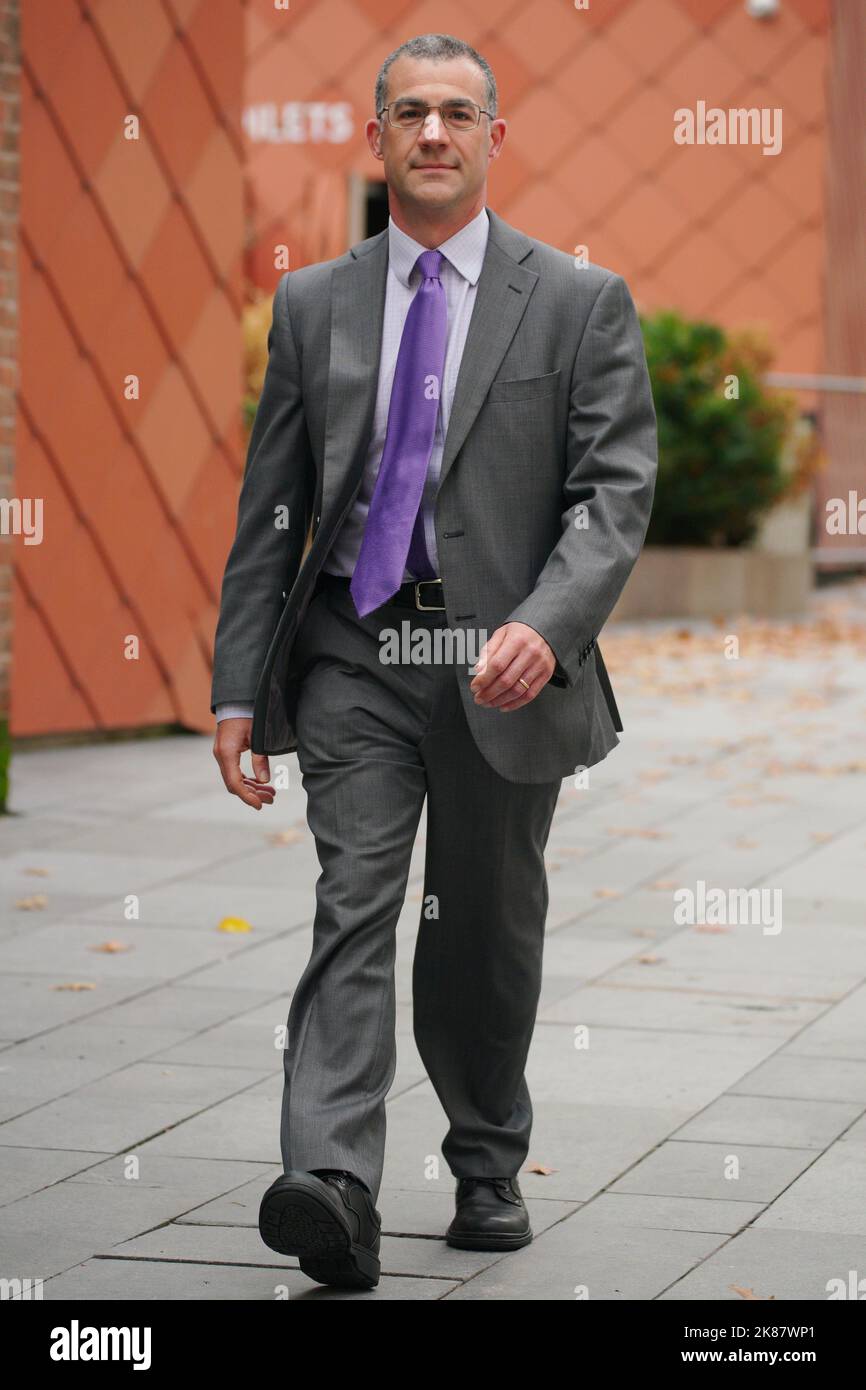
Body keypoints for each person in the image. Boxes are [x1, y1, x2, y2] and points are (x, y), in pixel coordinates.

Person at [211, 32, 657, 1291]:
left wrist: (547, 621)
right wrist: (240, 685)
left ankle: (483, 1160)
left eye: (458, 112)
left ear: (493, 139)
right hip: (354, 650)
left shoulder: (574, 301)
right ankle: (332, 1183)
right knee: (353, 904)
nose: (433, 133)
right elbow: (274, 511)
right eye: (408, 111)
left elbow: (612, 494)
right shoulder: (313, 305)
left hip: (498, 662)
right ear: (378, 138)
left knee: (480, 927)